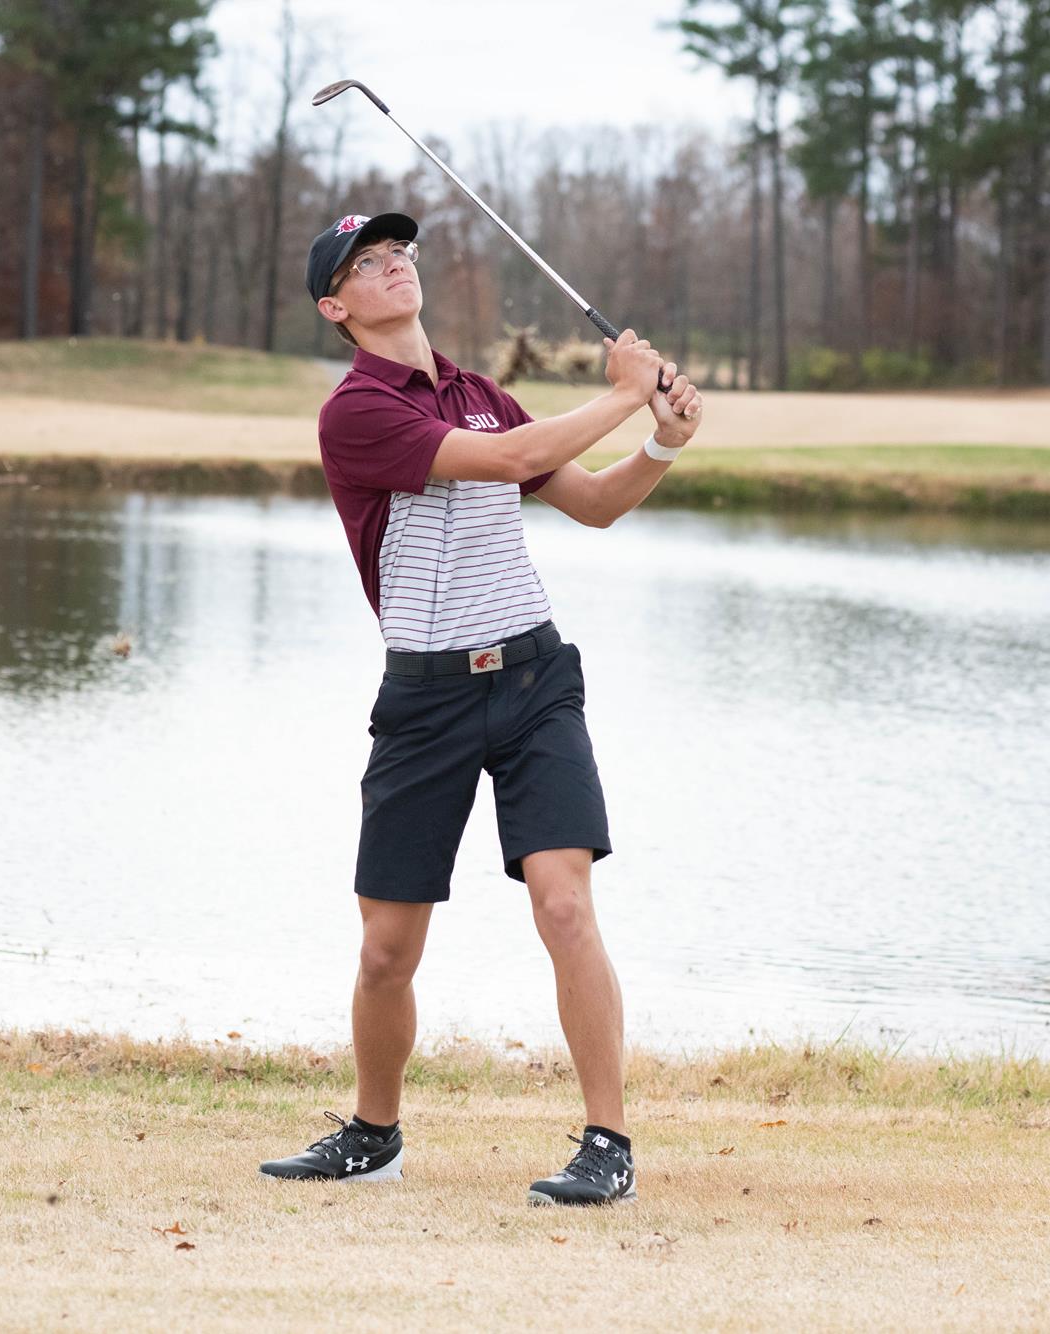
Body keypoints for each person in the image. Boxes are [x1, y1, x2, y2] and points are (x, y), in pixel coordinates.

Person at [257, 210, 702, 1207]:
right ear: (335, 307)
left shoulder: (481, 395)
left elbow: (591, 502)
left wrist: (661, 443)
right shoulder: (356, 412)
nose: (392, 268)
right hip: (425, 697)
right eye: (367, 264)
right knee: (386, 949)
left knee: (563, 901)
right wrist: (624, 391)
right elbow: (500, 462)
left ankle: (608, 1145)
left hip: (535, 680)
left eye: (398, 254)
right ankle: (373, 1135)